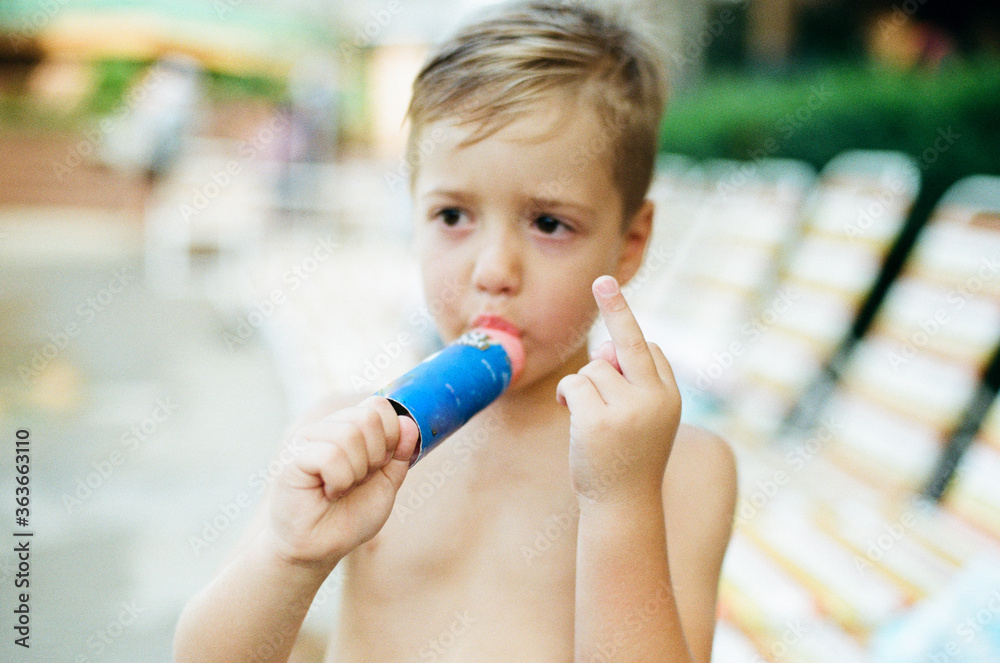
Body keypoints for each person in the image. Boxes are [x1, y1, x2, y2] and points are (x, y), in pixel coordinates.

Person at [174, 2, 737, 661]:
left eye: (549, 223)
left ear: (630, 241)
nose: (493, 269)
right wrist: (287, 553)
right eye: (452, 215)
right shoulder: (345, 436)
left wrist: (620, 504)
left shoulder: (678, 469)